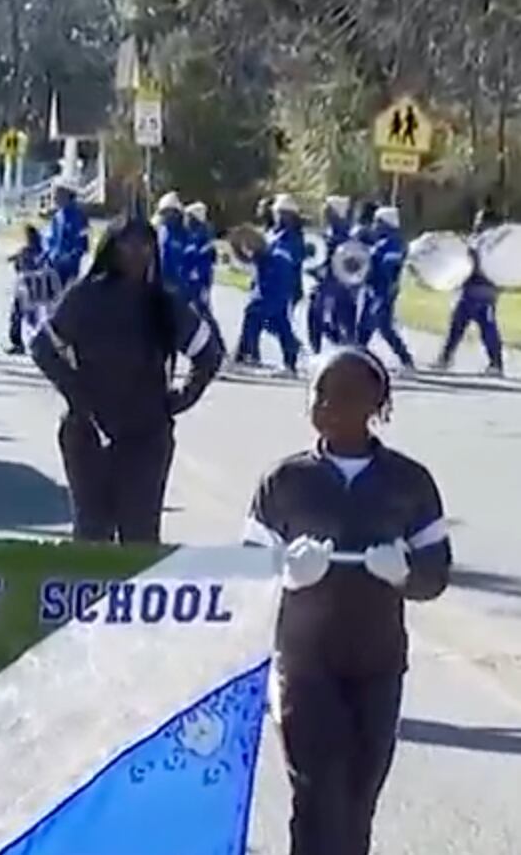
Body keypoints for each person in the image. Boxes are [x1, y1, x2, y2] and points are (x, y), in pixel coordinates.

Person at [243, 347, 451, 855]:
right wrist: (285, 575)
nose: (328, 406)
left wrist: (405, 574)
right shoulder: (284, 481)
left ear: (376, 404)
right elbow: (248, 569)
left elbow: (436, 572)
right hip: (305, 664)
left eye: (344, 395)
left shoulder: (410, 483)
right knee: (318, 792)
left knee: (359, 799)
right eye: (319, 394)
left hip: (377, 665)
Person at [31, 216, 223, 543]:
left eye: (145, 244)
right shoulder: (85, 297)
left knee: (140, 536)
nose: (136, 252)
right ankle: (90, 596)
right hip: (88, 434)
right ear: (111, 248)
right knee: (92, 533)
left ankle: (136, 595)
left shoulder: (163, 303)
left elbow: (209, 354)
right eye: (127, 243)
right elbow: (42, 346)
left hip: (146, 438)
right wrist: (76, 393)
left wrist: (181, 398)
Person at [236, 194, 305, 375]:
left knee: (253, 315)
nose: (277, 216)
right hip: (266, 284)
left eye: (281, 214)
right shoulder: (274, 234)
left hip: (278, 287)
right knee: (280, 324)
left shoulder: (293, 239)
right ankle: (290, 361)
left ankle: (247, 356)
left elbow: (286, 262)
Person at [434, 208, 506, 376]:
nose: (477, 224)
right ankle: (445, 359)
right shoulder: (475, 240)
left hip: (484, 292)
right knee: (457, 326)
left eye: (480, 221)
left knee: (487, 330)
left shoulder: (492, 244)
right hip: (469, 291)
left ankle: (496, 364)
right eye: (477, 220)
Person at [357, 206, 415, 372]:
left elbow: (387, 268)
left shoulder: (392, 244)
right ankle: (358, 357)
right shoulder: (385, 242)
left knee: (384, 327)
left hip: (383, 291)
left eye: (378, 222)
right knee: (364, 326)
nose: (374, 226)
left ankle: (407, 361)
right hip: (374, 290)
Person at [307, 195, 357, 353]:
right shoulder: (334, 232)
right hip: (329, 284)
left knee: (321, 319)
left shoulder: (340, 235)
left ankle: (325, 351)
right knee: (326, 320)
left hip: (335, 285)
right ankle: (340, 348)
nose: (324, 212)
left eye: (328, 209)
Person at [7, 225, 55, 355]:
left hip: (26, 288)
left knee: (17, 314)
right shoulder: (43, 252)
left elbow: (15, 264)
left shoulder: (24, 252)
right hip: (42, 290)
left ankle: (17, 343)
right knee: (40, 318)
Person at [184, 201, 221, 339]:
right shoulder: (191, 234)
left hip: (201, 280)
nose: (186, 219)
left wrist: (198, 275)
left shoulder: (204, 236)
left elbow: (207, 259)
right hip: (191, 279)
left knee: (203, 311)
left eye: (189, 216)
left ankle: (218, 343)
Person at [45, 178, 89, 285]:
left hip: (69, 266)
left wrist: (68, 258)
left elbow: (82, 245)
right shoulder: (57, 217)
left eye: (58, 193)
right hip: (53, 263)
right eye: (54, 193)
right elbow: (50, 241)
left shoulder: (79, 216)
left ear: (68, 194)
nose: (54, 197)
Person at [154, 191, 189, 295]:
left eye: (171, 211)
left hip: (179, 285)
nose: (168, 215)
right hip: (160, 283)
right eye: (165, 212)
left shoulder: (184, 234)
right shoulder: (159, 230)